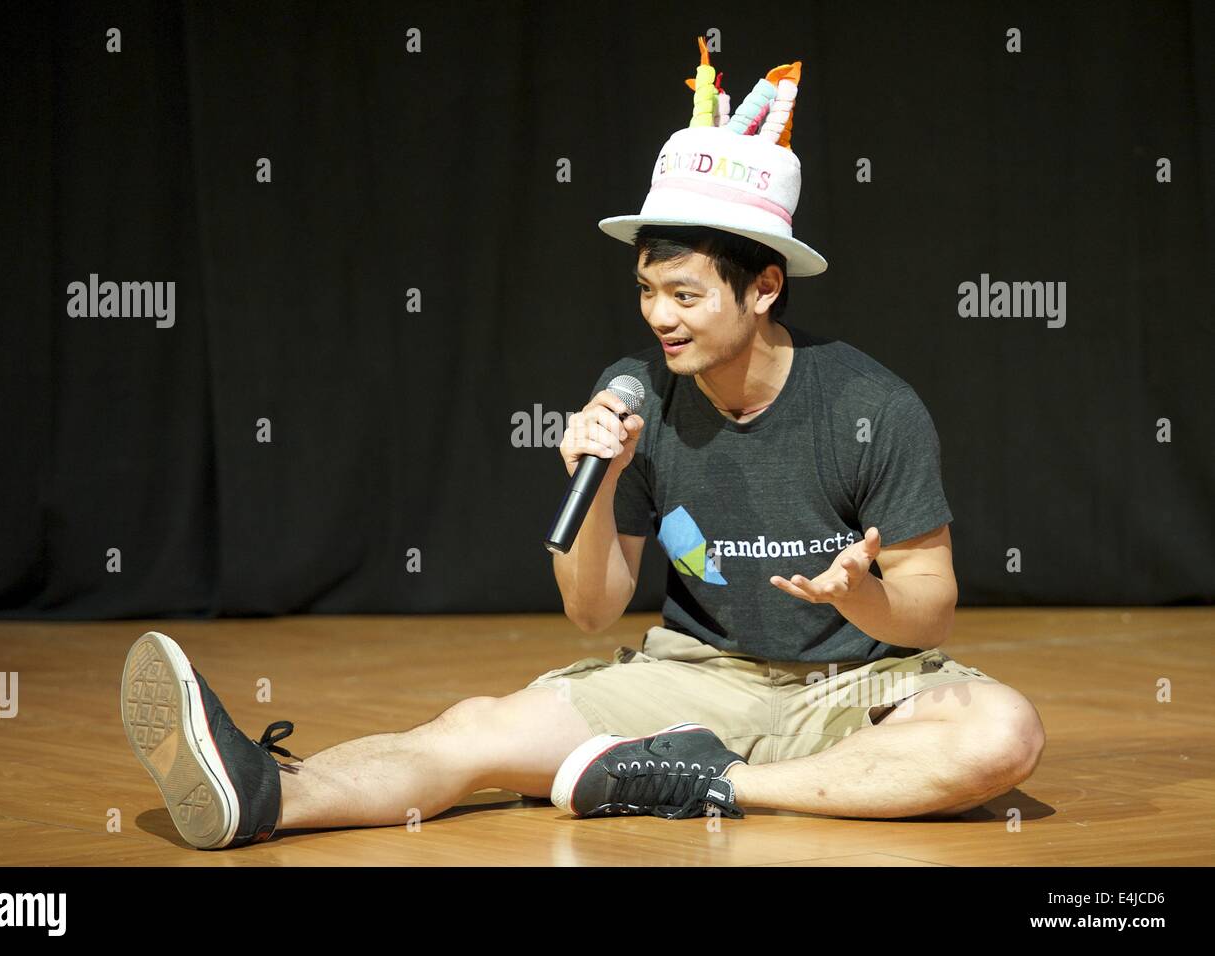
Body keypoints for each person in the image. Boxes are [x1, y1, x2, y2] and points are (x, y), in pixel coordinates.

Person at [120, 43, 1045, 849]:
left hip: (853, 688)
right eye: (648, 292)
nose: (659, 317)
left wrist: (865, 598)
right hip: (696, 684)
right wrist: (594, 487)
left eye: (685, 294)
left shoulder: (870, 406)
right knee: (476, 730)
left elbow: (929, 616)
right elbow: (594, 613)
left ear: (764, 289)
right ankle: (265, 795)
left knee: (1000, 732)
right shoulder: (636, 391)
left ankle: (711, 786)